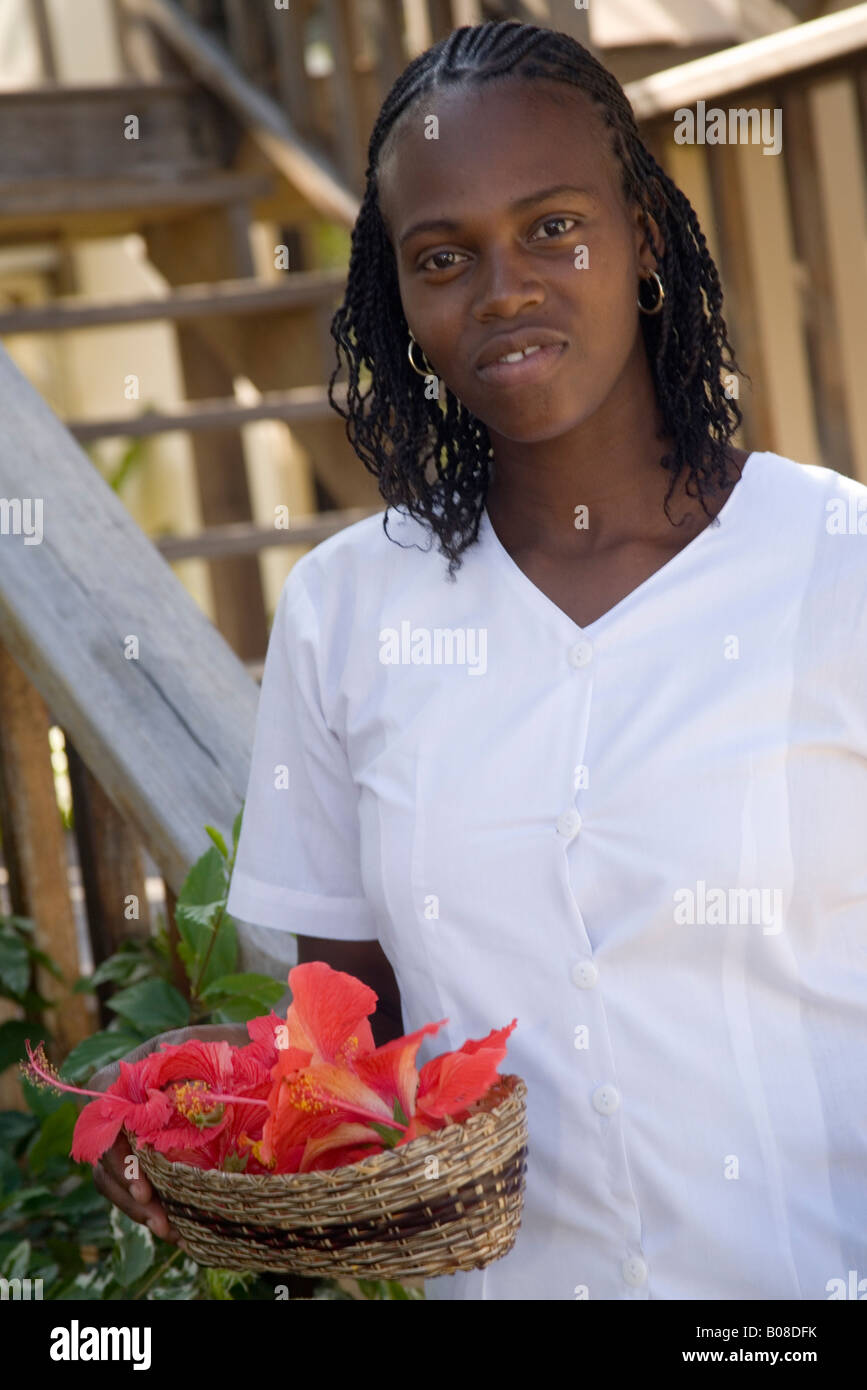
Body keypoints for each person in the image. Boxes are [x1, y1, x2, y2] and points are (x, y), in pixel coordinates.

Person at [94, 19, 867, 1300]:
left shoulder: (838, 564)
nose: (504, 287)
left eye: (555, 228)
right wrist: (202, 1120)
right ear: (398, 299)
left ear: (646, 238)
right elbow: (352, 1044)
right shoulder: (346, 614)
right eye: (444, 256)